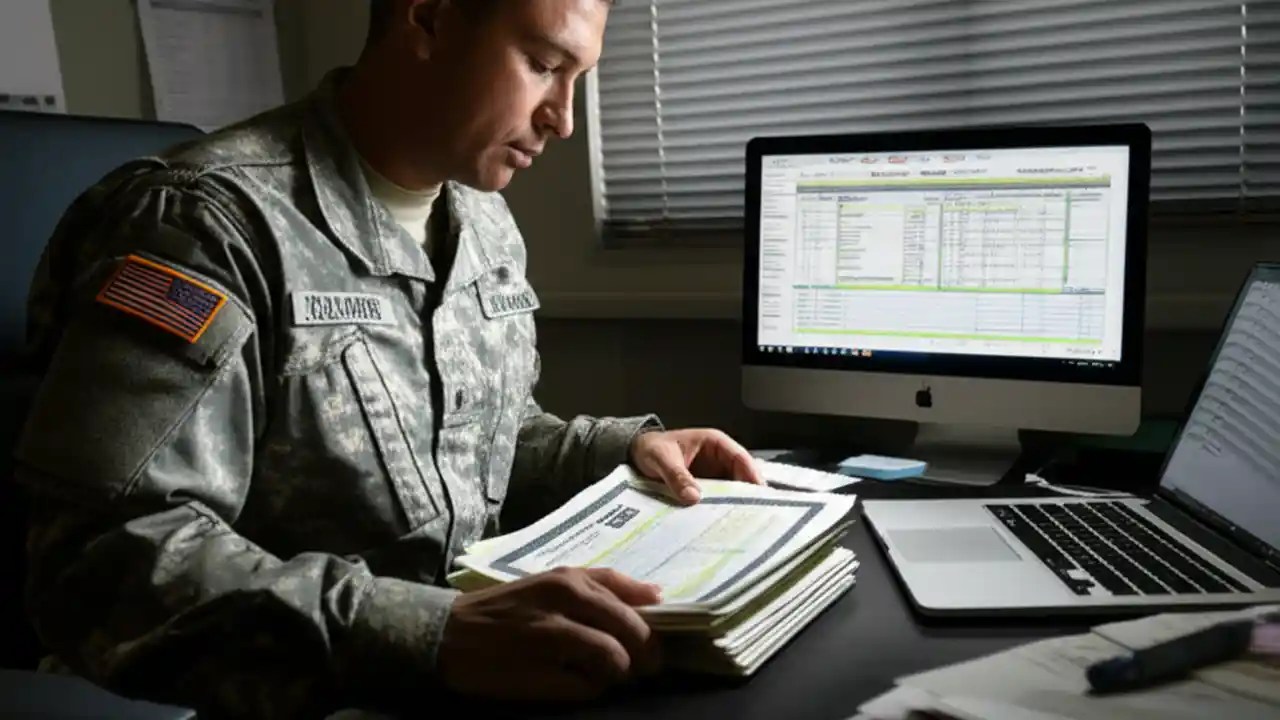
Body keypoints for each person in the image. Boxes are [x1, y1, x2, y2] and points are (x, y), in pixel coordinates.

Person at [12, 0, 764, 717]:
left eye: (578, 80)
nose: (562, 119)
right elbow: (102, 559)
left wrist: (620, 451)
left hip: (471, 681)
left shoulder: (483, 222)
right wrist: (426, 634)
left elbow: (470, 447)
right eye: (542, 64)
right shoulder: (204, 226)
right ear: (430, 20)